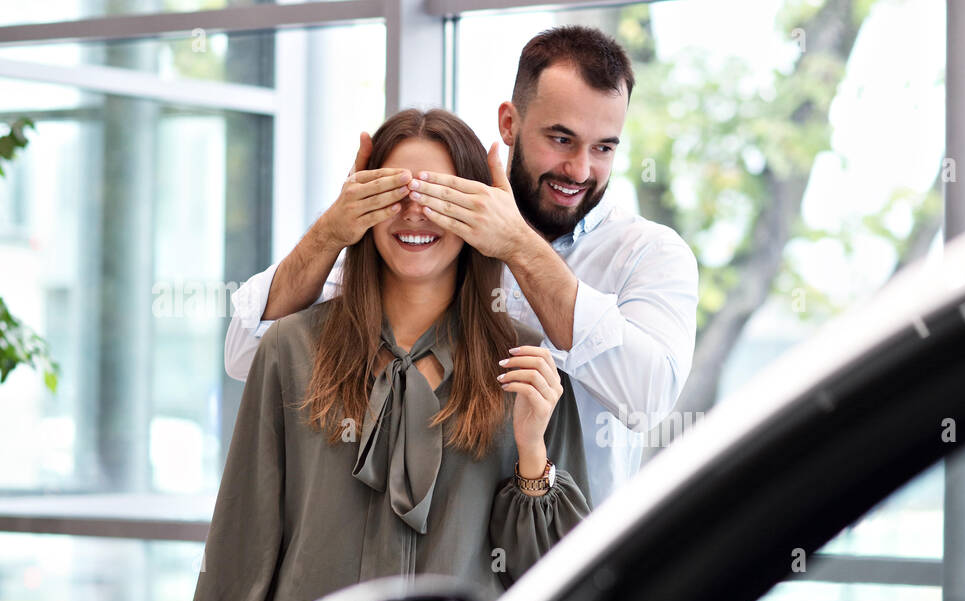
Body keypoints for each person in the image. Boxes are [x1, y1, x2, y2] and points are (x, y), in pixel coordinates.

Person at [172, 108, 590, 601]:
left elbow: (555, 586)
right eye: (394, 193)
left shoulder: (525, 365)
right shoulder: (290, 352)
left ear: (476, 211)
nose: (415, 214)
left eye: (441, 196)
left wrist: (532, 453)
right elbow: (242, 543)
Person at [226, 26, 699, 508]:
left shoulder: (650, 253)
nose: (579, 170)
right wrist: (331, 232)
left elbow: (647, 401)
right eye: (561, 139)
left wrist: (518, 246)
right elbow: (246, 348)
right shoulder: (448, 232)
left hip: (575, 558)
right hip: (445, 549)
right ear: (509, 124)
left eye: (603, 148)